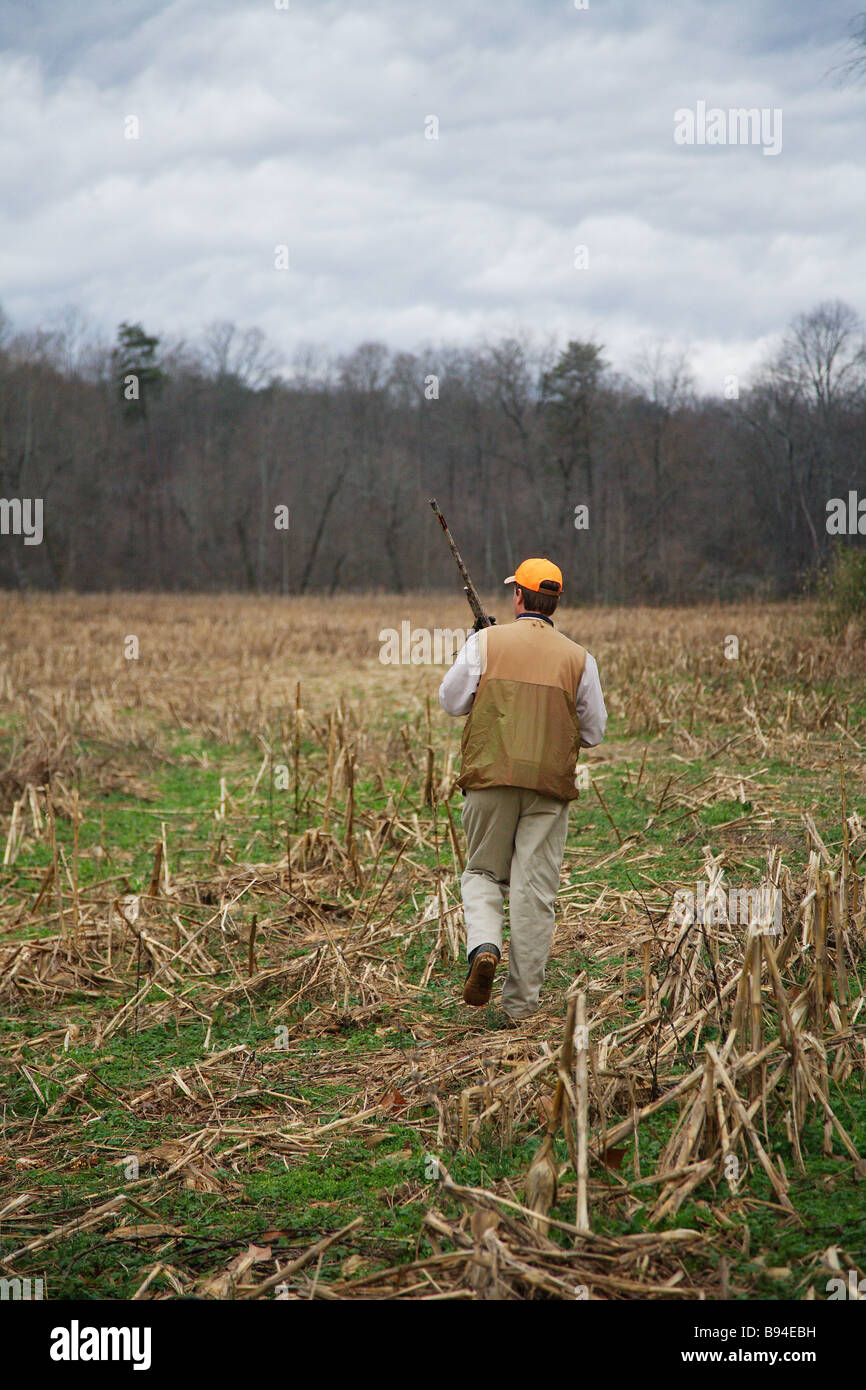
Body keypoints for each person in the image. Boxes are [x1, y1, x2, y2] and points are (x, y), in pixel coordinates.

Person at [438, 558, 607, 1022]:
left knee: (482, 874)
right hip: (549, 788)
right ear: (555, 601)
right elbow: (594, 732)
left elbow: (451, 701)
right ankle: (518, 1009)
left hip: (490, 778)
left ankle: (485, 947)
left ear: (518, 597)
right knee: (533, 893)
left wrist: (483, 655)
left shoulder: (486, 642)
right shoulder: (580, 658)